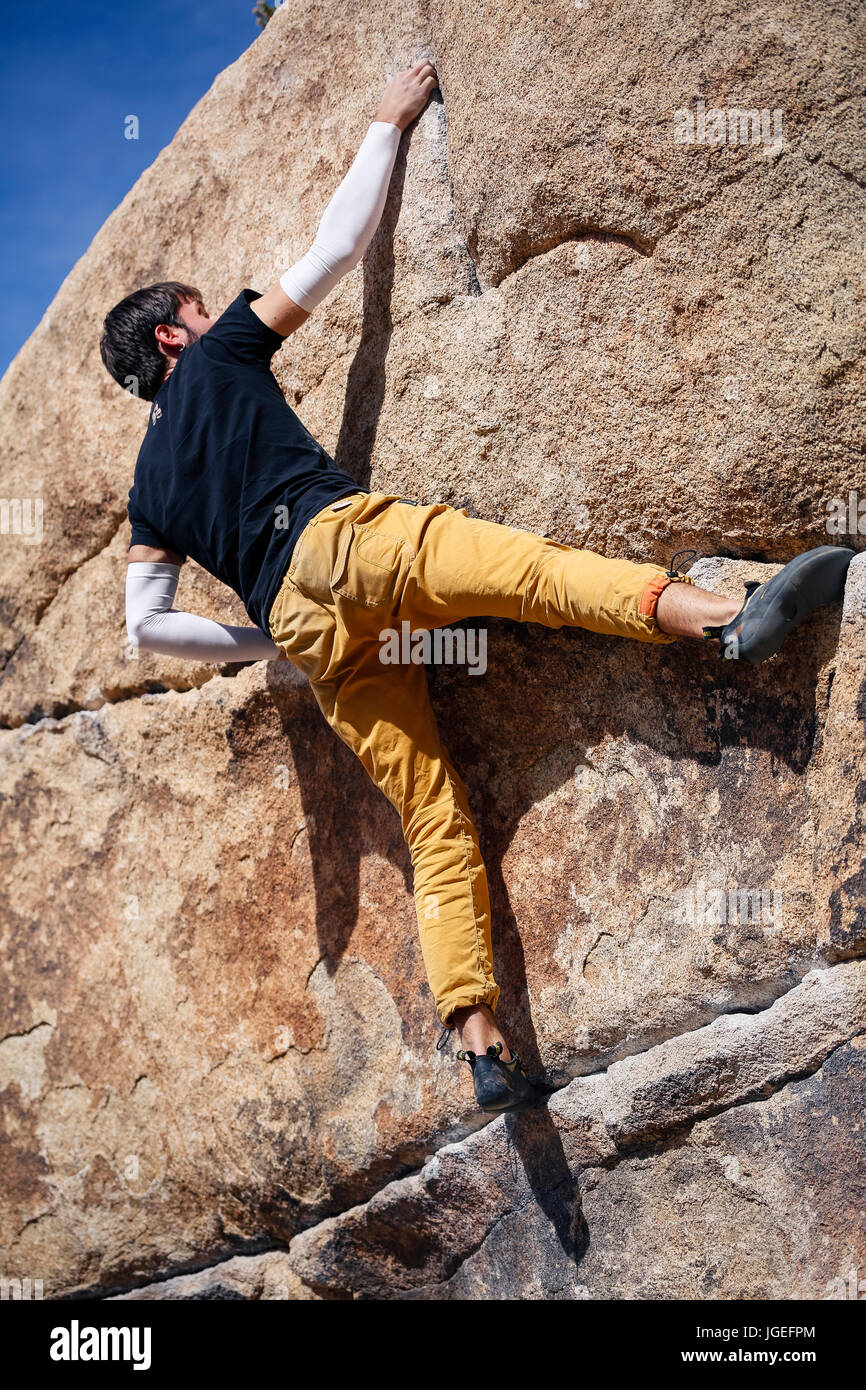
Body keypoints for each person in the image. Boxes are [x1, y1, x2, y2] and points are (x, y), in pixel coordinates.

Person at [100, 59, 854, 1113]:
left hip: (308, 636)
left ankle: (476, 1034)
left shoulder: (145, 488)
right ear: (176, 336)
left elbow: (147, 628)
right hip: (345, 545)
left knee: (432, 818)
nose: (212, 304)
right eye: (195, 302)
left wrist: (262, 646)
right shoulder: (221, 354)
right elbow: (335, 248)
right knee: (534, 578)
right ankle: (725, 617)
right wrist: (384, 123)